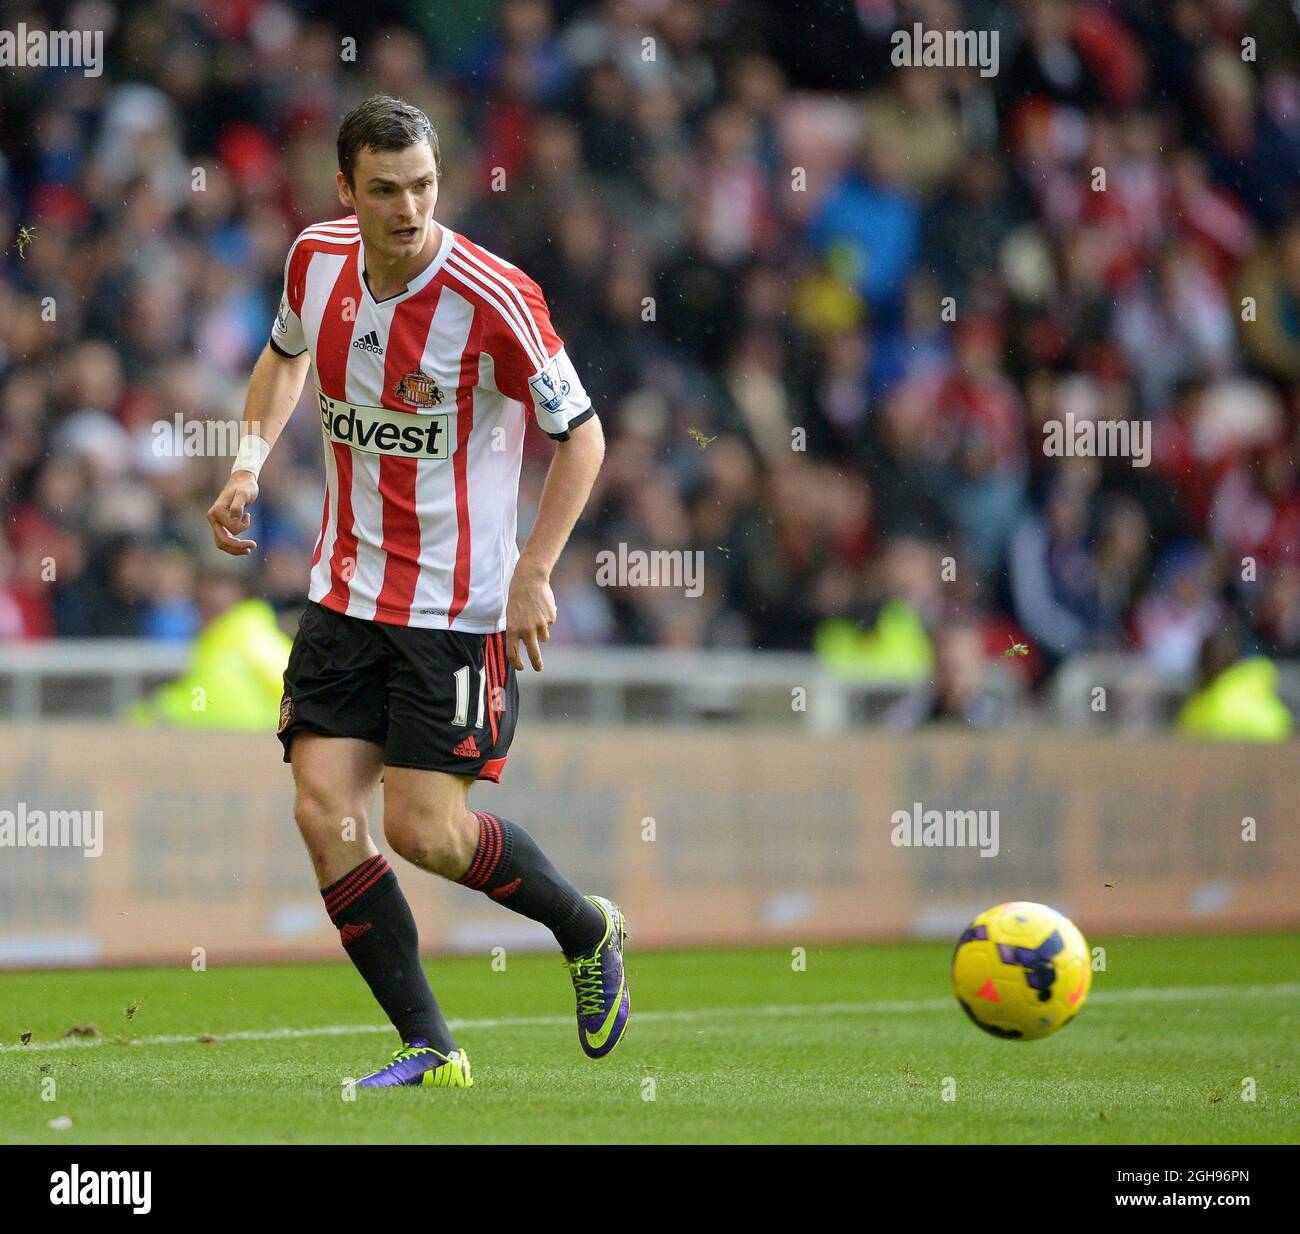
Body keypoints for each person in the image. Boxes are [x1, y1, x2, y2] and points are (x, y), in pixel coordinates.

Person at [205, 95, 628, 1089]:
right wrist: (246, 462)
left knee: (423, 831)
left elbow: (586, 436)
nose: (409, 207)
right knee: (321, 809)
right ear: (345, 190)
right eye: (386, 189)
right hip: (345, 590)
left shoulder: (493, 294)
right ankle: (430, 1045)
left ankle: (586, 925)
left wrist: (533, 567)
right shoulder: (314, 259)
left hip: (459, 609)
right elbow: (283, 351)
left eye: (425, 186)